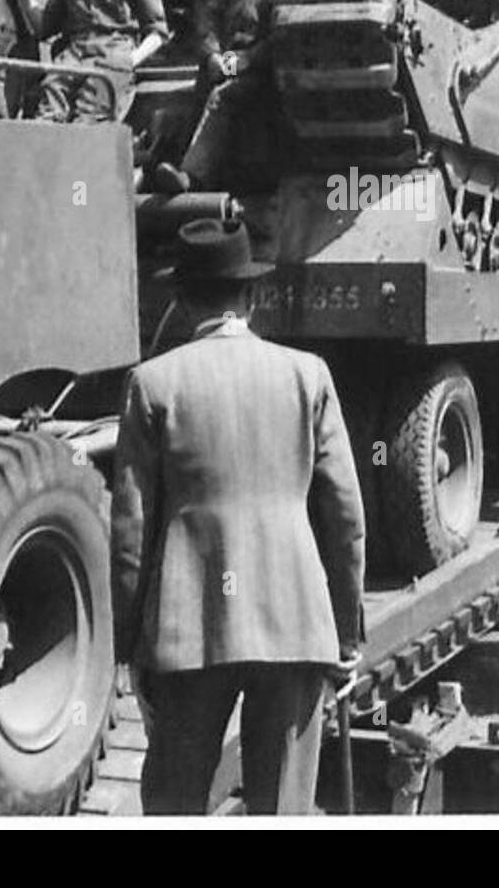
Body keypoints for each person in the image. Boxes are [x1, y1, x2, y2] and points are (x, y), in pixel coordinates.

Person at [110, 217, 366, 815]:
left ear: (179, 298)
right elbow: (346, 518)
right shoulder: (309, 376)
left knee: (175, 804)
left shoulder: (151, 384)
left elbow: (129, 536)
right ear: (251, 296)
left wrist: (129, 651)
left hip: (186, 632)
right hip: (294, 622)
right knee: (282, 811)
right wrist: (347, 636)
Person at [154, 0, 290, 192]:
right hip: (228, 59)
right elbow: (209, 16)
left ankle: (191, 178)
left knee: (222, 97)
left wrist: (246, 60)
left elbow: (286, 34)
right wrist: (213, 54)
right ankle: (165, 168)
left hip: (267, 65)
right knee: (198, 92)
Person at [35, 0, 167, 123]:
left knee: (90, 112)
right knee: (50, 99)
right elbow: (45, 26)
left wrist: (131, 60)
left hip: (112, 54)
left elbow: (158, 31)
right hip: (74, 55)